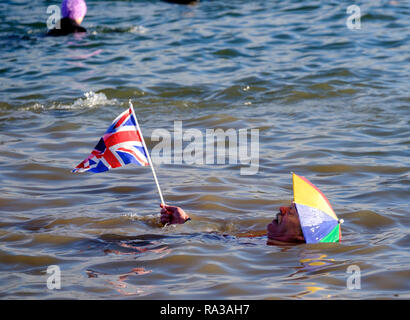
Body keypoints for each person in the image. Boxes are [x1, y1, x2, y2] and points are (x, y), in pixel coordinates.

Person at [160, 202, 306, 245]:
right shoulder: (264, 238)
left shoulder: (266, 247)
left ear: (298, 235)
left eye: (290, 211)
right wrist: (185, 222)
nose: (282, 208)